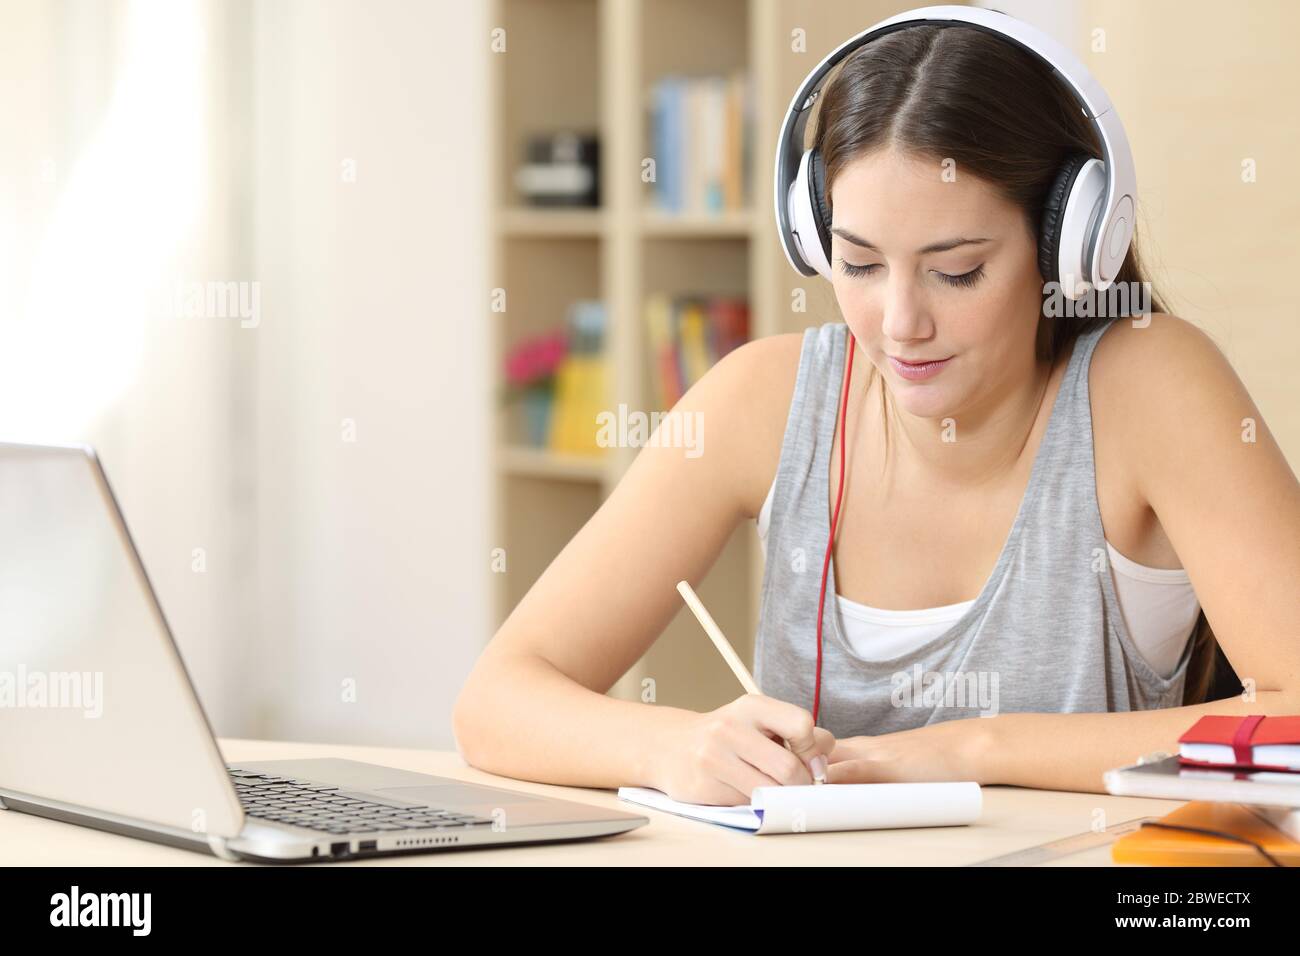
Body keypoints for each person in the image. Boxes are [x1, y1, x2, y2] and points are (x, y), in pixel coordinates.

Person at [454, 23, 1300, 805]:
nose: (900, 324)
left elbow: (1294, 717)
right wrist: (674, 746)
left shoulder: (1152, 387)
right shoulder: (764, 399)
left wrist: (976, 749)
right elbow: (497, 700)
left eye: (957, 270)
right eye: (858, 264)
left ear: (1066, 248)